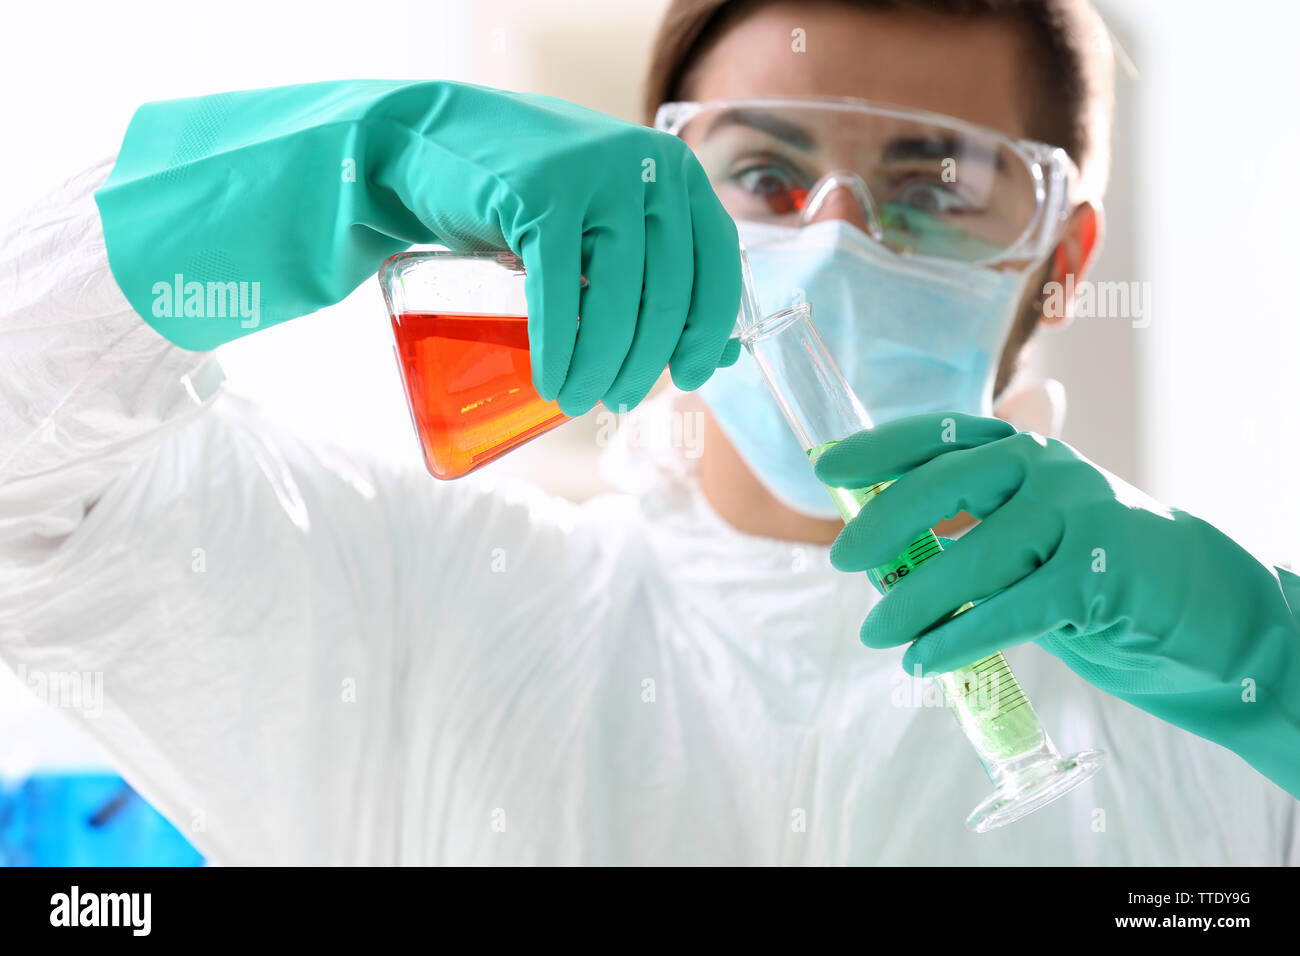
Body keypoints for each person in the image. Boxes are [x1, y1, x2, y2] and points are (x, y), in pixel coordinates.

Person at [0, 0, 1295, 865]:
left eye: (936, 186)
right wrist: (350, 161)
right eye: (763, 179)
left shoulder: (1198, 697)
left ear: (1062, 265)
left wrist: (1269, 662)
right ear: (655, 191)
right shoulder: (420, 610)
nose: (832, 240)